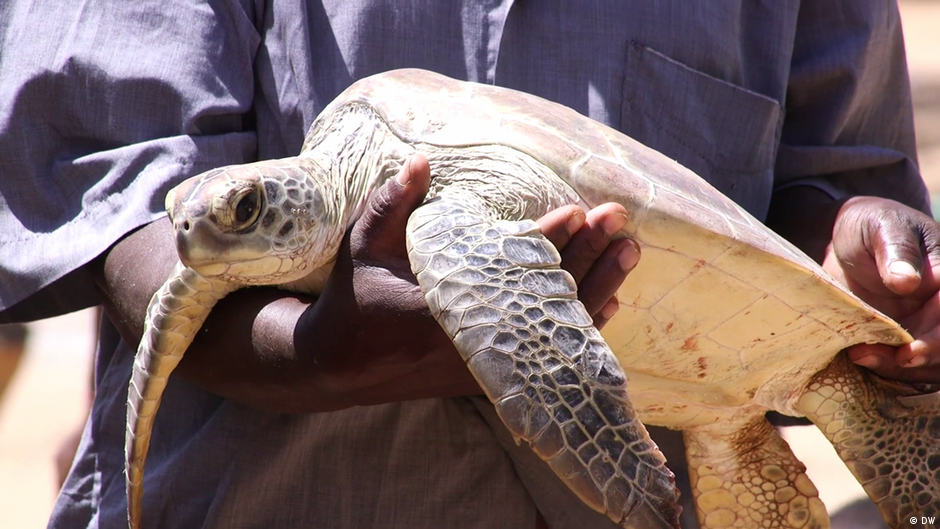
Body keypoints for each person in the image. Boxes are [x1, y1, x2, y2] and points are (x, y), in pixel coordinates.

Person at [1, 1, 937, 528]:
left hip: (704, 433)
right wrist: (314, 352)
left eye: (245, 212)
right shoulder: (251, 221)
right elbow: (129, 214)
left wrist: (877, 284)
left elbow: (828, 181)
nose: (212, 241)